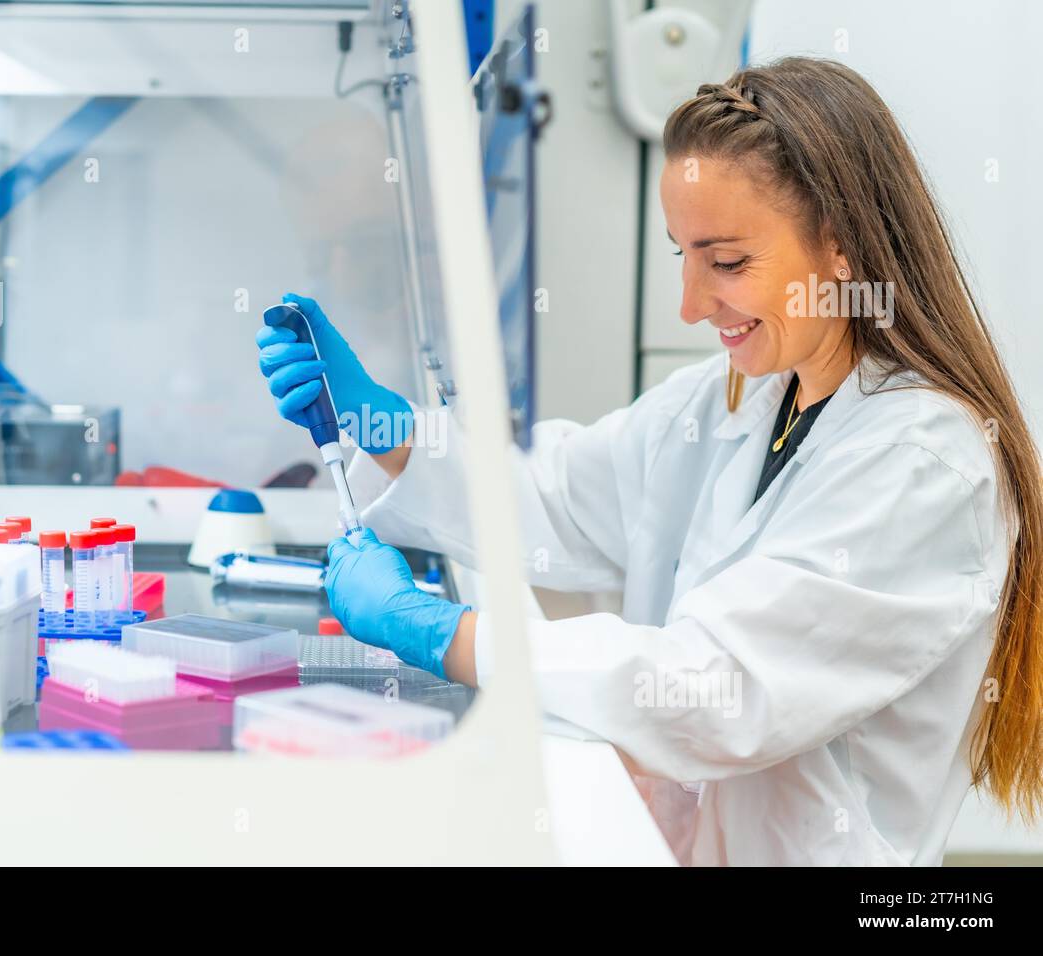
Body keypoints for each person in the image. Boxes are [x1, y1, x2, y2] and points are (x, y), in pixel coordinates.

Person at [254, 58, 1043, 866]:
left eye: (727, 262)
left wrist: (446, 634)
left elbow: (713, 687)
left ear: (842, 248)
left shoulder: (928, 465)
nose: (692, 305)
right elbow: (557, 498)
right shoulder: (741, 396)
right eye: (683, 256)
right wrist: (386, 426)